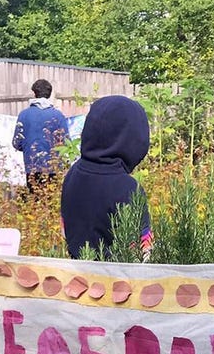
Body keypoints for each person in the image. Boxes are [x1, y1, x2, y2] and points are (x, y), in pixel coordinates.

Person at [61, 95, 154, 260]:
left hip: (77, 277)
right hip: (115, 281)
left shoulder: (72, 173)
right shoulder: (128, 189)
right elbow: (142, 254)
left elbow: (65, 231)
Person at [16, 79, 71, 195]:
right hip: (54, 168)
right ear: (49, 94)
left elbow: (17, 143)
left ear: (34, 94)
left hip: (32, 167)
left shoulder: (24, 115)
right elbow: (67, 143)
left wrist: (29, 147)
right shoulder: (58, 115)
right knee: (52, 203)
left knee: (35, 203)